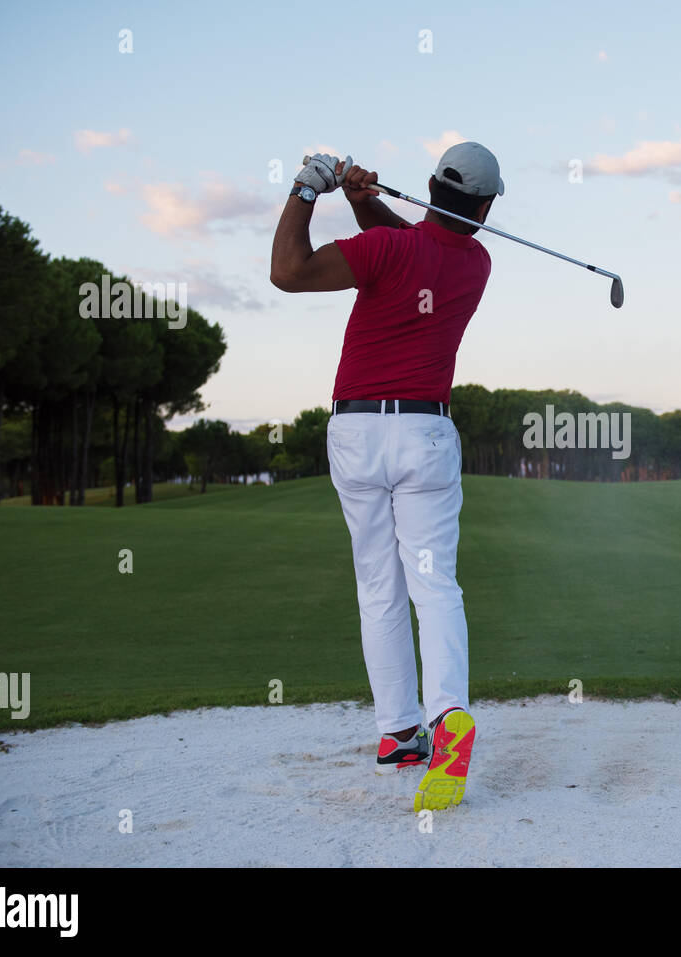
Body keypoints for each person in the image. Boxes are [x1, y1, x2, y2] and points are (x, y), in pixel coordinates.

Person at [270, 142, 504, 811]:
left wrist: (308, 187)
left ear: (429, 185)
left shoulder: (384, 253)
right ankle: (447, 716)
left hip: (356, 432)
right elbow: (426, 243)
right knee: (434, 583)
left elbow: (287, 271)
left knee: (379, 584)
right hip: (425, 433)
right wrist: (363, 199)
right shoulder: (476, 263)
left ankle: (399, 733)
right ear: (486, 208)